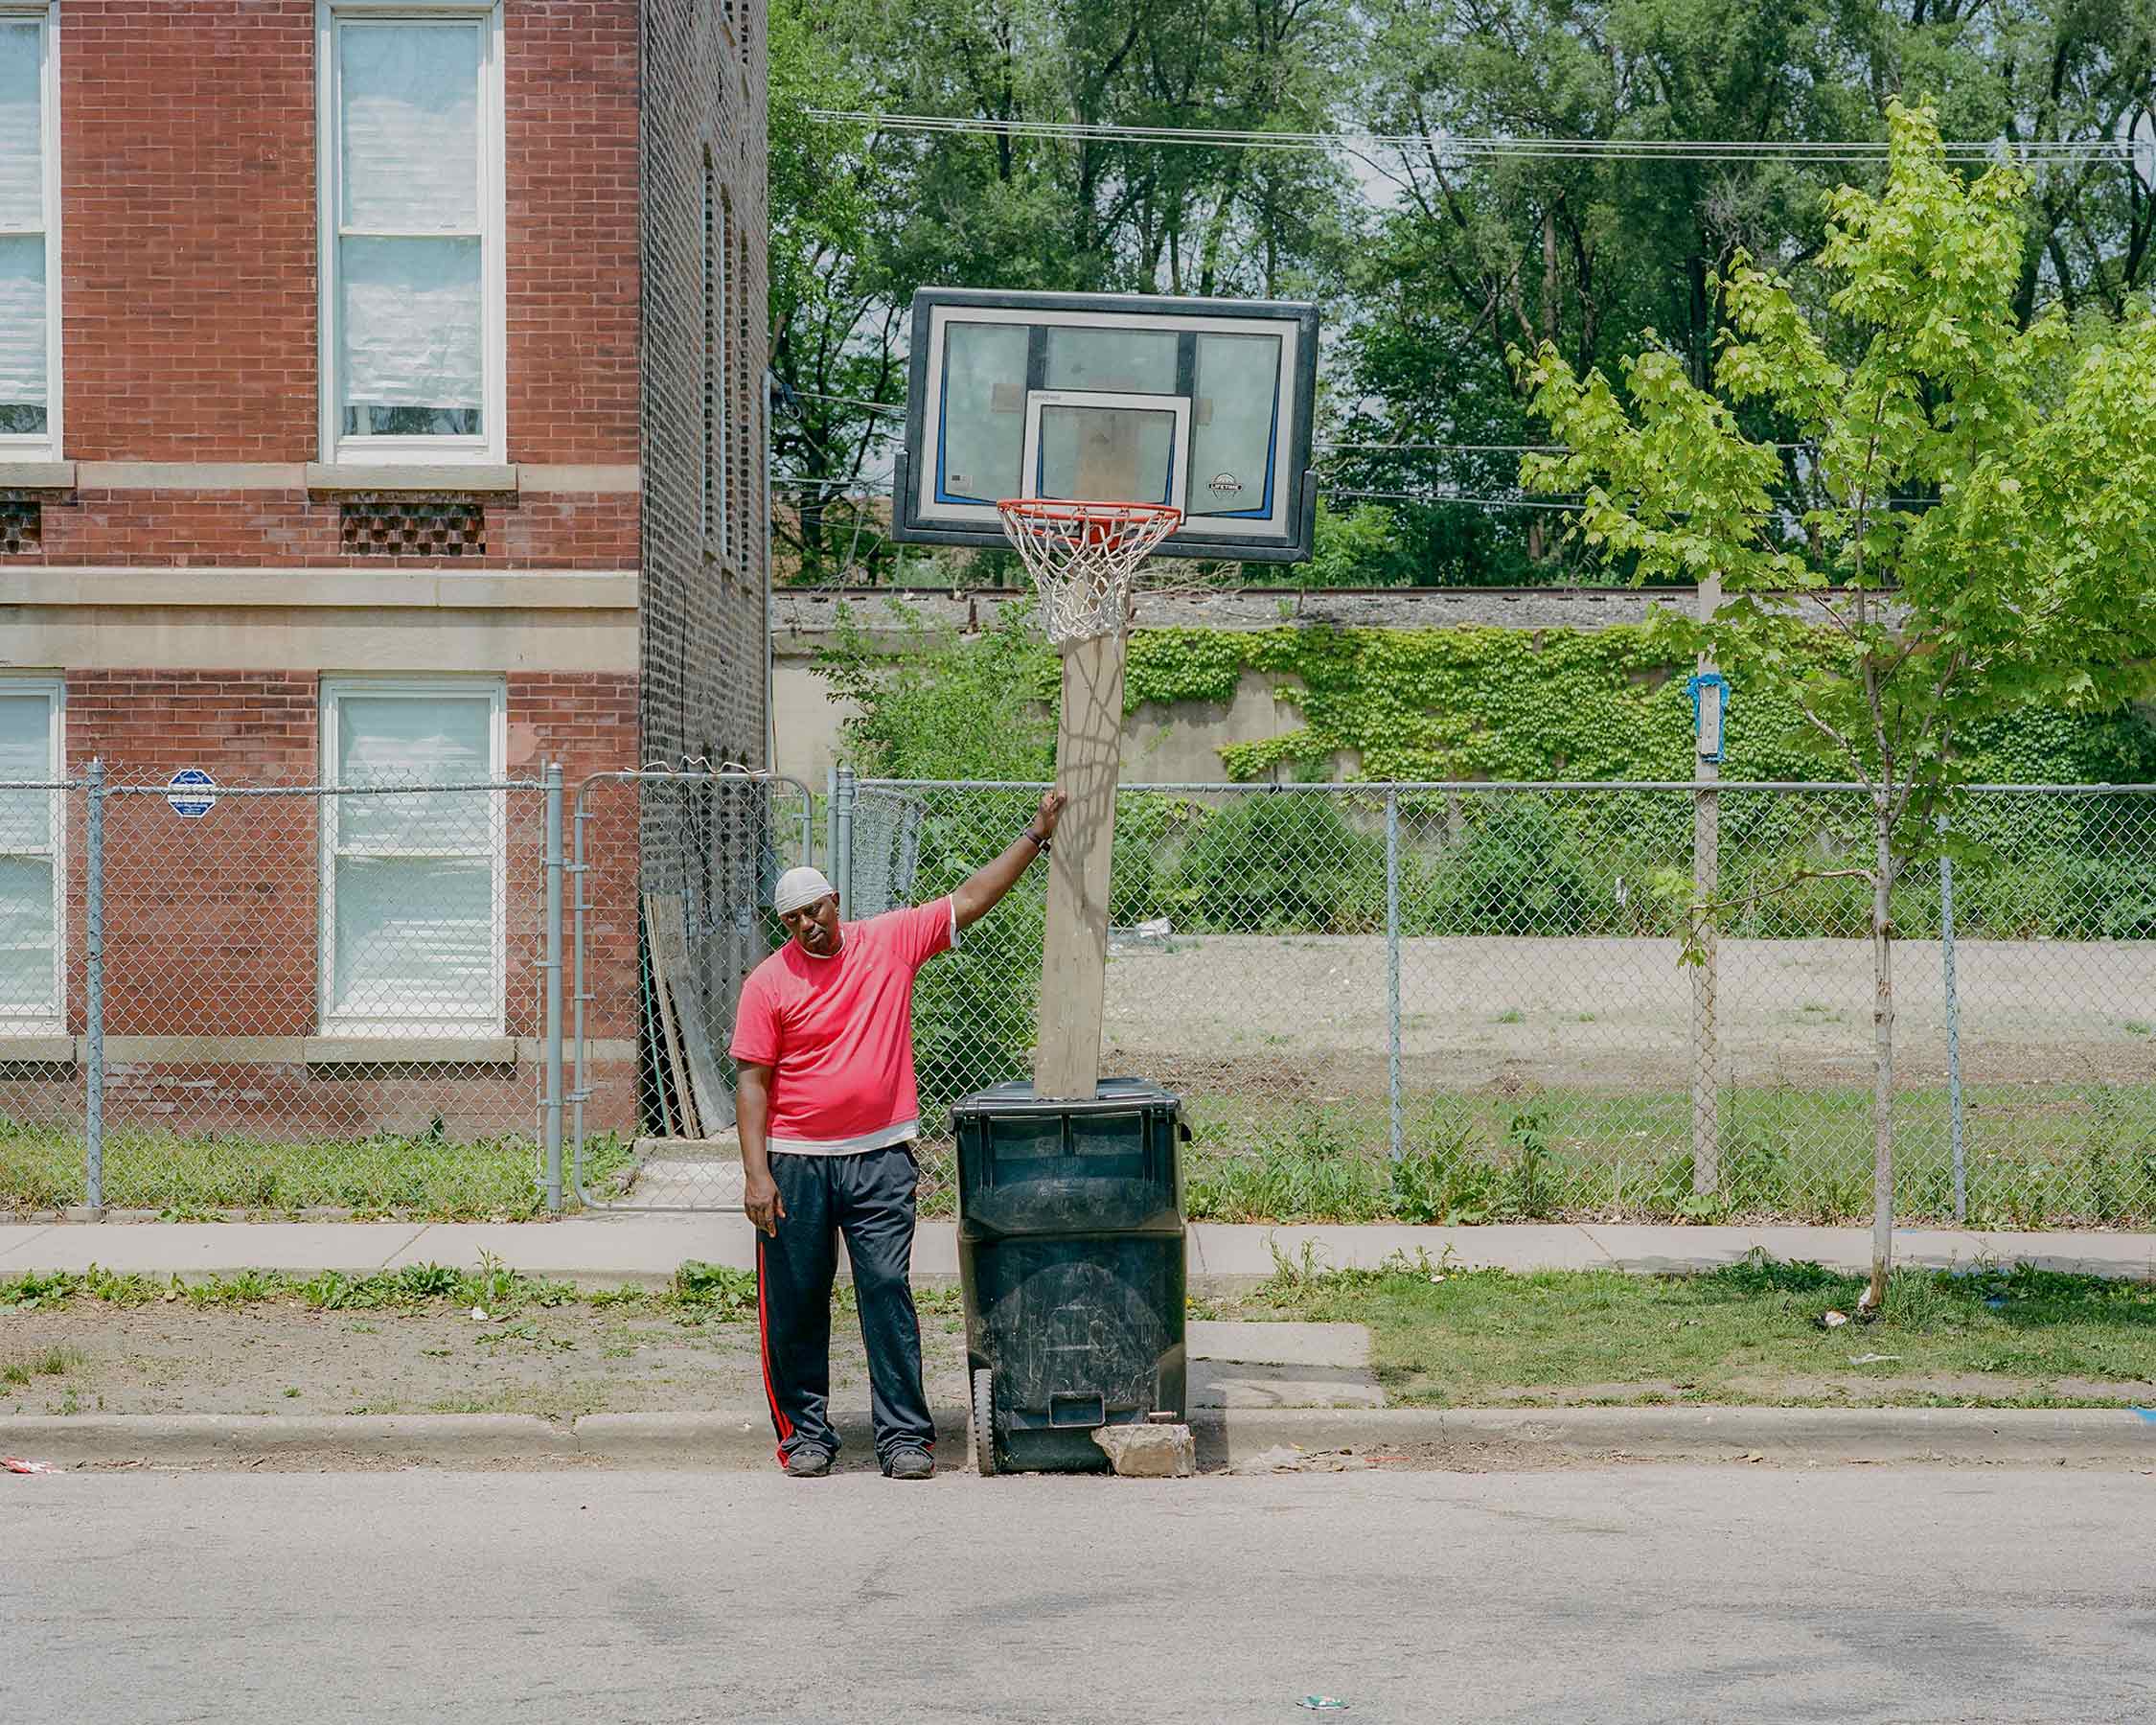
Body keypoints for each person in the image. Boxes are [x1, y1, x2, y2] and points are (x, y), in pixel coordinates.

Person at [731, 790, 1067, 1480]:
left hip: (879, 1157)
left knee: (886, 1288)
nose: (807, 925)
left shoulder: (889, 941)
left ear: (835, 901)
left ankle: (905, 1437)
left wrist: (1036, 836)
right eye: (792, 919)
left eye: (815, 910)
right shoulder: (768, 983)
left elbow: (970, 898)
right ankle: (805, 1436)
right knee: (795, 1302)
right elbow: (752, 1083)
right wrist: (756, 1174)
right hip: (795, 1163)